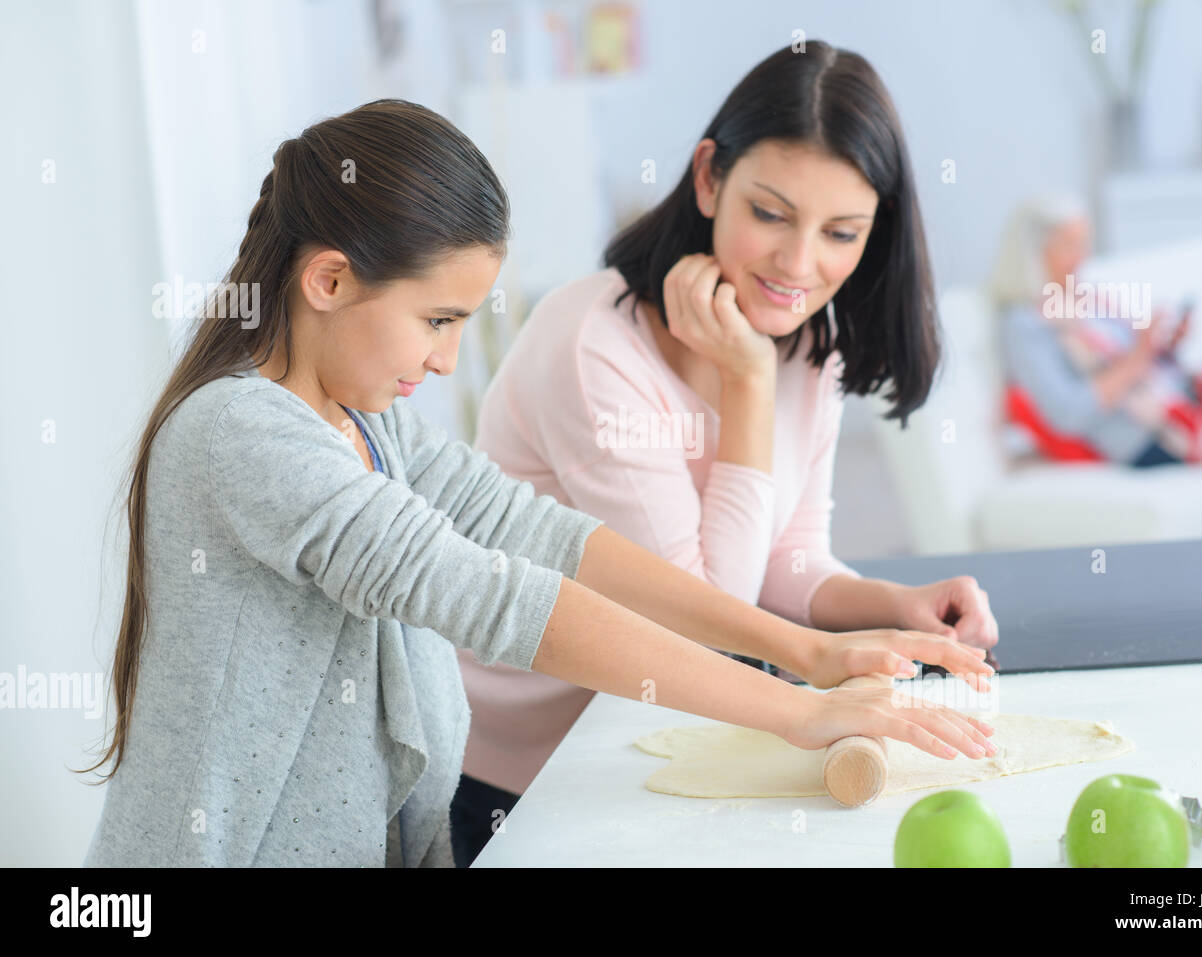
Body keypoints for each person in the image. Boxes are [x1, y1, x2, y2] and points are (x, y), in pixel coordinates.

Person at [77, 99, 996, 868]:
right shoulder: (240, 433)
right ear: (327, 278)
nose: (445, 360)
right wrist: (802, 711)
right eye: (436, 320)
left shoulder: (366, 419)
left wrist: (805, 651)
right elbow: (492, 595)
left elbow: (533, 532)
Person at [454, 43, 1001, 866]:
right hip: (534, 774)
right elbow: (706, 617)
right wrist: (747, 383)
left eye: (841, 232)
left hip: (666, 733)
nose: (799, 265)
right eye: (772, 214)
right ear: (709, 178)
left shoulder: (809, 339)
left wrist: (894, 603)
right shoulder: (593, 347)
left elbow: (787, 556)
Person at [989, 194, 1202, 500]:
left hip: (1180, 402)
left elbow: (1139, 365)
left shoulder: (1087, 299)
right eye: (1070, 245)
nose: (1082, 256)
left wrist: (1164, 345)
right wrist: (1141, 353)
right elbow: (1066, 413)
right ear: (1035, 252)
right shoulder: (1024, 323)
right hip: (1143, 439)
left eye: (1084, 243)